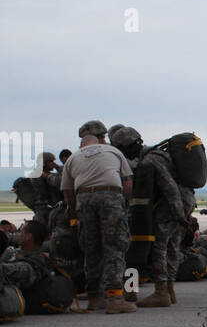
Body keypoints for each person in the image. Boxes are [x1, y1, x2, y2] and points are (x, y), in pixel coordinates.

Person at [61, 120, 135, 312]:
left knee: (91, 248)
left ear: (83, 144)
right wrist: (123, 202)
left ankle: (94, 297)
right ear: (99, 140)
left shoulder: (73, 158)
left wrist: (78, 209)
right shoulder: (113, 151)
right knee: (114, 246)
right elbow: (127, 182)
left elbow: (68, 194)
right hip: (111, 195)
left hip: (83, 198)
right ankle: (115, 299)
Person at [135, 139, 196, 307]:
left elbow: (169, 187)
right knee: (173, 246)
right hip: (185, 201)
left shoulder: (151, 160)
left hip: (173, 205)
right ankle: (169, 289)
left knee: (159, 246)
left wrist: (179, 214)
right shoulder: (166, 156)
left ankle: (160, 292)